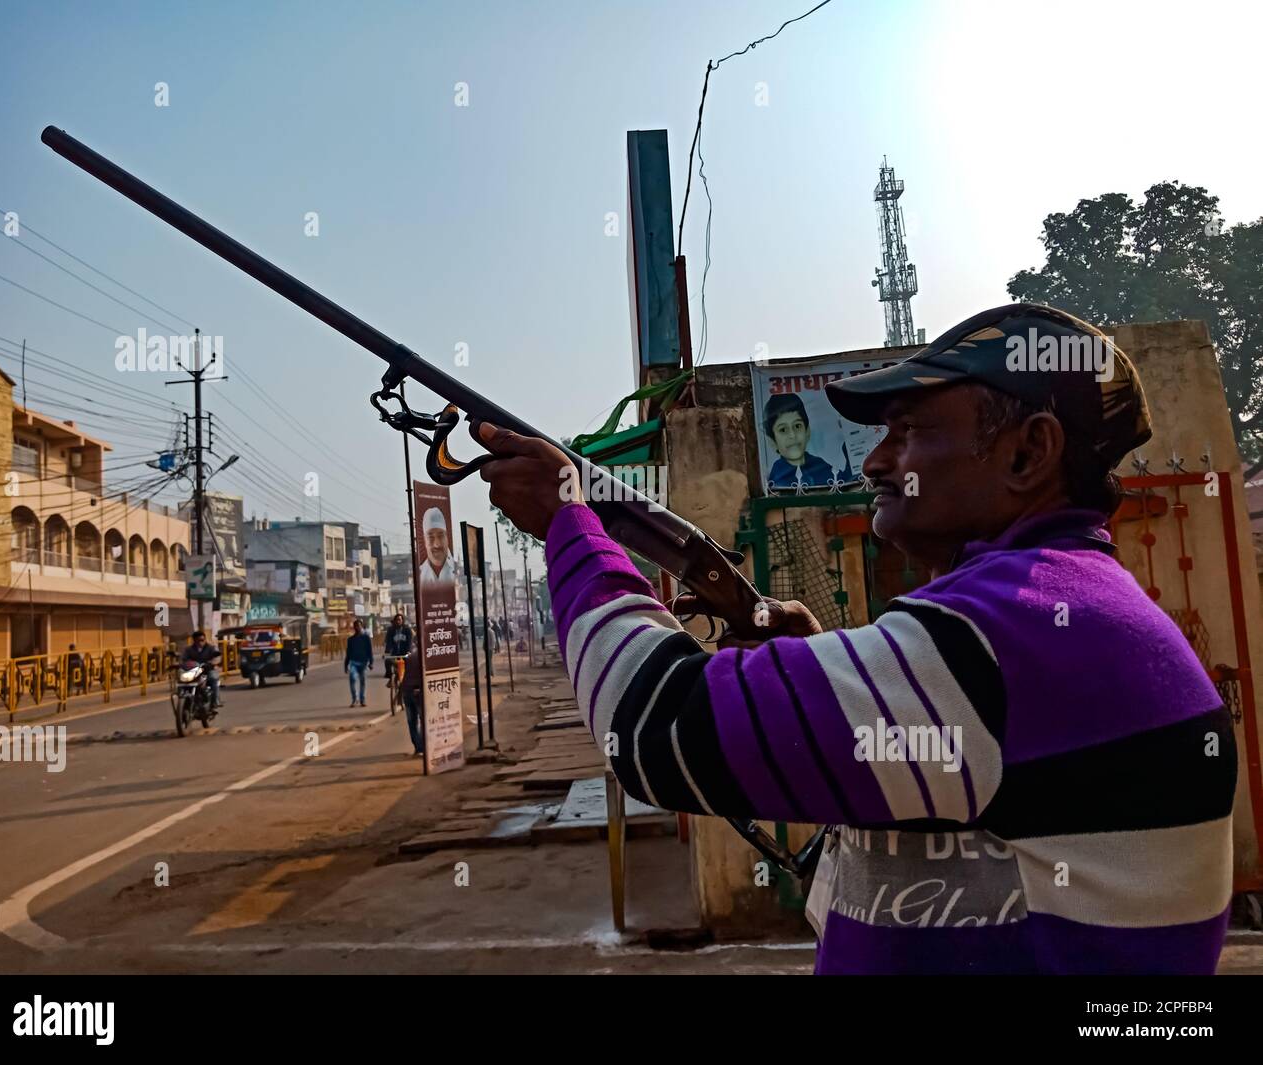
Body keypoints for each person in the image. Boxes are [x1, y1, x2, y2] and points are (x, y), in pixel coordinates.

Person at [474, 302, 1237, 976]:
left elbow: (649, 726)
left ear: (1027, 453)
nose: (875, 460)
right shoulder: (1062, 609)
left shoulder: (1010, 628)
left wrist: (571, 526)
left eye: (908, 431)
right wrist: (825, 657)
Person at [762, 392, 851, 490]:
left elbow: (845, 485)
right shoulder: (777, 479)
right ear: (772, 441)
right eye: (783, 430)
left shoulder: (819, 465)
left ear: (807, 431)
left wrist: (850, 444)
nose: (792, 435)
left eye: (797, 426)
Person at [180, 629, 222, 710]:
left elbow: (217, 658)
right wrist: (181, 664)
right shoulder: (189, 650)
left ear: (205, 639)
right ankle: (183, 694)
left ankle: (215, 701)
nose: (200, 642)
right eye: (198, 640)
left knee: (213, 678)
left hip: (208, 670)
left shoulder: (211, 648)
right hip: (194, 671)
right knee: (183, 679)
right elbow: (184, 659)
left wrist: (212, 663)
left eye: (202, 640)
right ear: (194, 640)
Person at [418, 508, 455, 587]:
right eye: (431, 537)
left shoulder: (459, 571)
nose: (436, 544)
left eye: (440, 536)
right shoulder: (420, 574)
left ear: (447, 537)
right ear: (425, 541)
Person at [400, 646, 425, 756]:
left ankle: (418, 748)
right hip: (417, 691)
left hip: (406, 690)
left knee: (412, 721)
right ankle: (421, 747)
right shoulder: (426, 657)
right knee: (424, 719)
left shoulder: (411, 656)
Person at [344, 618, 373, 707]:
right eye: (356, 626)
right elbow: (348, 653)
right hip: (353, 662)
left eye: (359, 626)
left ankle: (362, 700)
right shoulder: (351, 640)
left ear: (361, 627)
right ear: (354, 627)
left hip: (364, 662)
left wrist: (371, 662)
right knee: (352, 679)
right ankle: (354, 699)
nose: (358, 628)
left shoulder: (366, 638)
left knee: (362, 681)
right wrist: (346, 665)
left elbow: (369, 651)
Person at [383, 613, 414, 678]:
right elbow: (389, 642)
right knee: (387, 661)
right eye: (396, 620)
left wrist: (409, 651)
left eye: (399, 620)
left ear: (402, 620)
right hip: (394, 654)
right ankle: (390, 677)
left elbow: (409, 642)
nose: (398, 621)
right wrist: (387, 652)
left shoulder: (407, 630)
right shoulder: (391, 630)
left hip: (404, 654)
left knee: (410, 665)